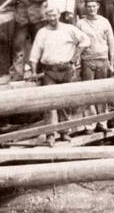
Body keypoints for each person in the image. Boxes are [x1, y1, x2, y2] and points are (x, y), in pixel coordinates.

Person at [27, 7, 89, 135]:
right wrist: (33, 72)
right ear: (46, 17)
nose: (52, 18)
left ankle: (64, 133)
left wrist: (75, 58)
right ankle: (50, 135)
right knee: (50, 103)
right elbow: (34, 54)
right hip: (49, 71)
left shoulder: (69, 29)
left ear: (59, 14)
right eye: (49, 16)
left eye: (54, 15)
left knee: (65, 102)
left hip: (66, 70)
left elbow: (86, 40)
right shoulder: (42, 33)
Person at [0, 0, 48, 78]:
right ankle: (18, 74)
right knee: (18, 46)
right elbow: (7, 0)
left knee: (40, 45)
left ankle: (41, 73)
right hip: (21, 18)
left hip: (38, 17)